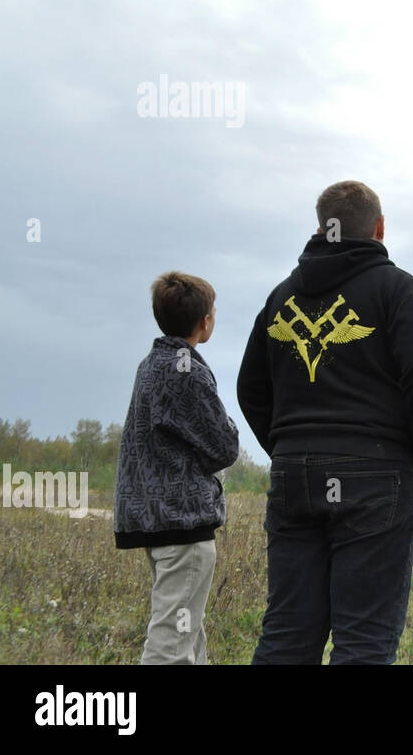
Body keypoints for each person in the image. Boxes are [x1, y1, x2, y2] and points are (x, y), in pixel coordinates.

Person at [237, 180, 413, 664]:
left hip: (295, 479)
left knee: (288, 634)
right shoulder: (398, 291)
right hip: (376, 478)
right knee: (364, 642)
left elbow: (250, 388)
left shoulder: (280, 299)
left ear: (320, 229)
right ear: (379, 228)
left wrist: (290, 449)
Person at [114, 271, 241, 665]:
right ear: (204, 322)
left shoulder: (151, 364)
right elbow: (224, 445)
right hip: (181, 523)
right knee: (171, 644)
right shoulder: (186, 370)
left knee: (188, 635)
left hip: (157, 520)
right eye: (214, 311)